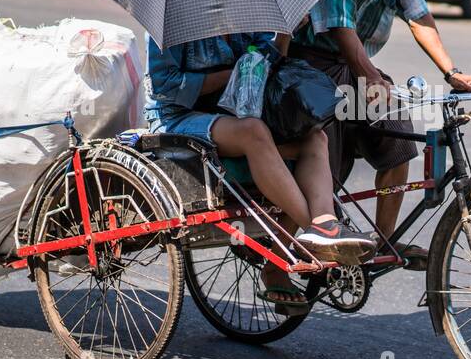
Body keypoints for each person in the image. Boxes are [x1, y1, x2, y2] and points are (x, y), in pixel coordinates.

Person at [289, 0, 471, 265]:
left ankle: (384, 241)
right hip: (313, 65)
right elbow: (341, 28)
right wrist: (372, 78)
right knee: (324, 168)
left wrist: (451, 71)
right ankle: (286, 260)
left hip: (355, 65)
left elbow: (418, 15)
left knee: (398, 145)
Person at [145, 31, 373, 306]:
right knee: (253, 131)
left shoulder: (243, 7)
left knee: (313, 136)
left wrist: (284, 35)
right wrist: (234, 73)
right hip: (178, 118)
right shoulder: (172, 23)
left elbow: (269, 58)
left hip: (238, 110)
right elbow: (165, 85)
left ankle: (325, 223)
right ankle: (317, 236)